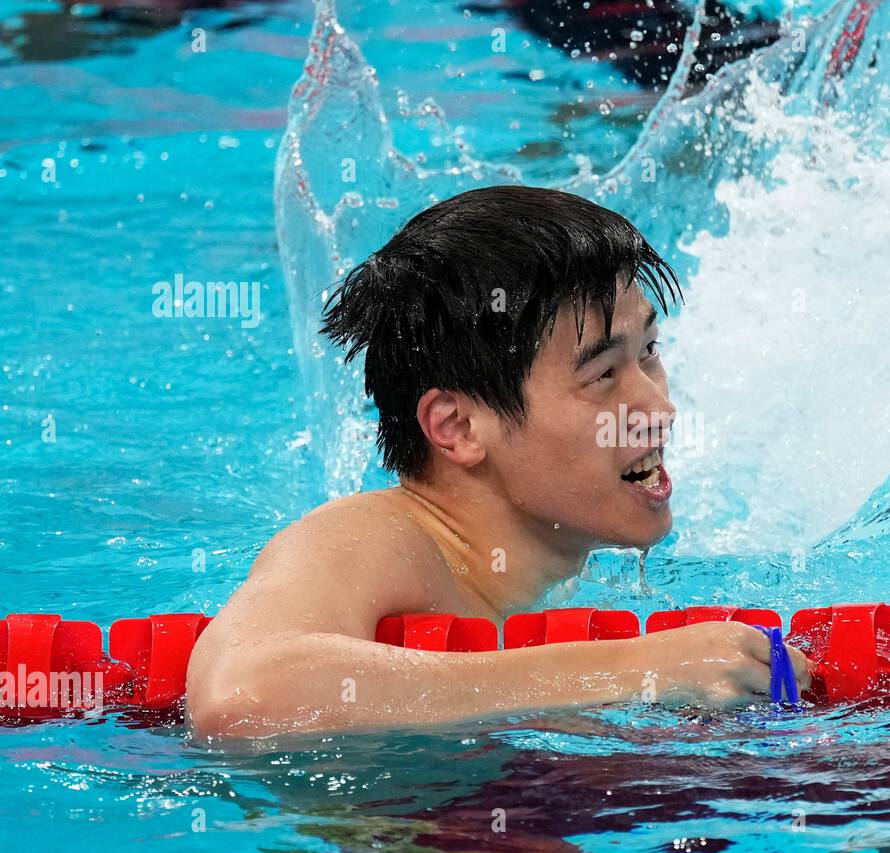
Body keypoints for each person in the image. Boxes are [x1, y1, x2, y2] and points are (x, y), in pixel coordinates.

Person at [186, 185, 809, 738]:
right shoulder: (372, 538)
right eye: (602, 375)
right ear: (457, 427)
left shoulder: (552, 574)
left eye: (649, 352)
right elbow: (241, 697)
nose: (659, 407)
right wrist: (636, 668)